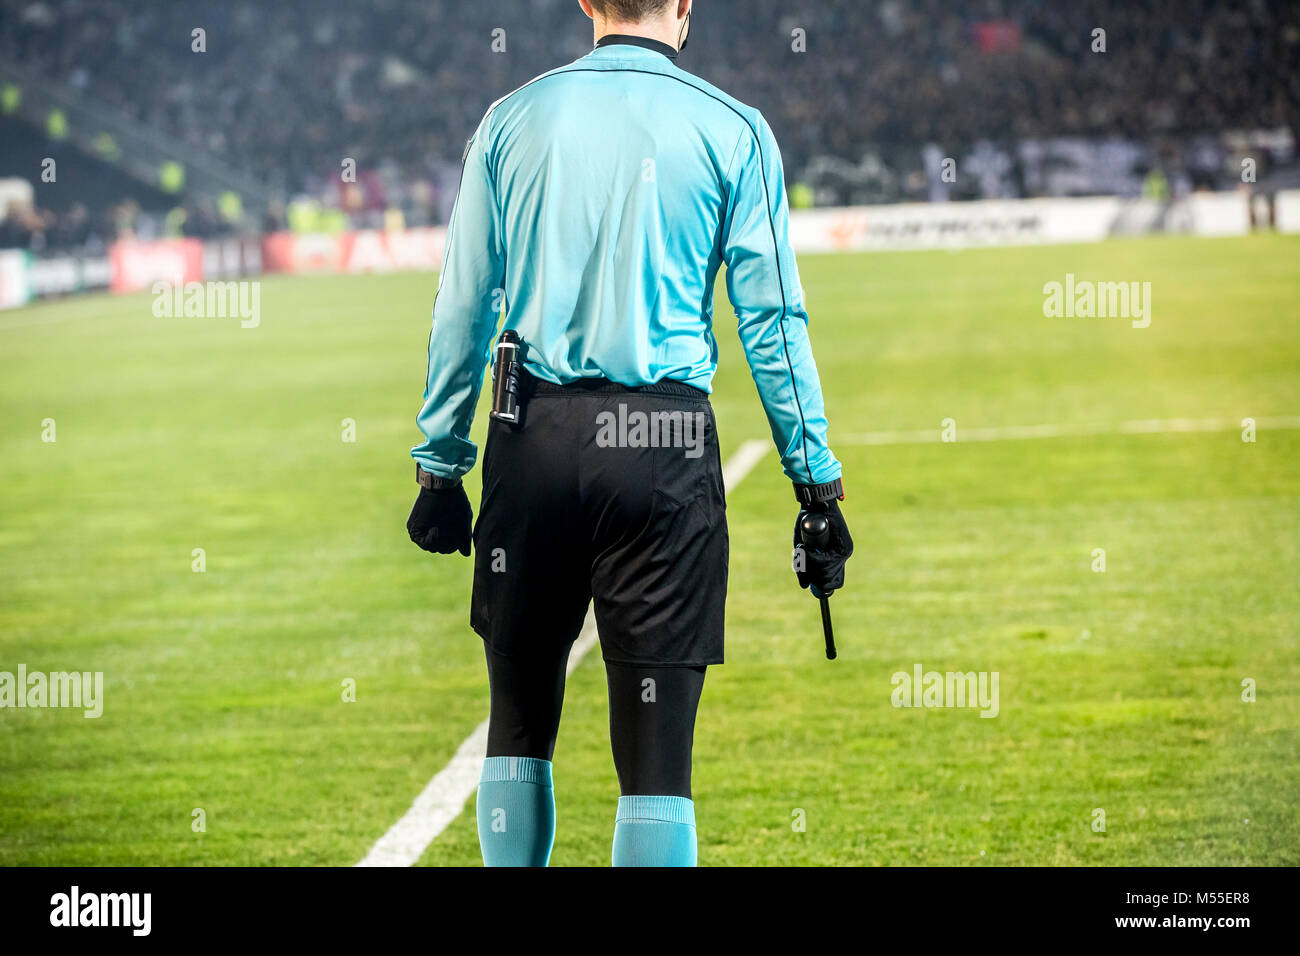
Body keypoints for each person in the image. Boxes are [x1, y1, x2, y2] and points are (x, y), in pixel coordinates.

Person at [407, 0, 852, 867]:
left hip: (531, 439)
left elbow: (462, 302)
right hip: (661, 448)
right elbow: (773, 323)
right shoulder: (736, 130)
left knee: (518, 728)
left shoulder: (511, 119)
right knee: (657, 769)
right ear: (684, 6)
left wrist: (439, 465)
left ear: (586, 3)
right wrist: (815, 484)